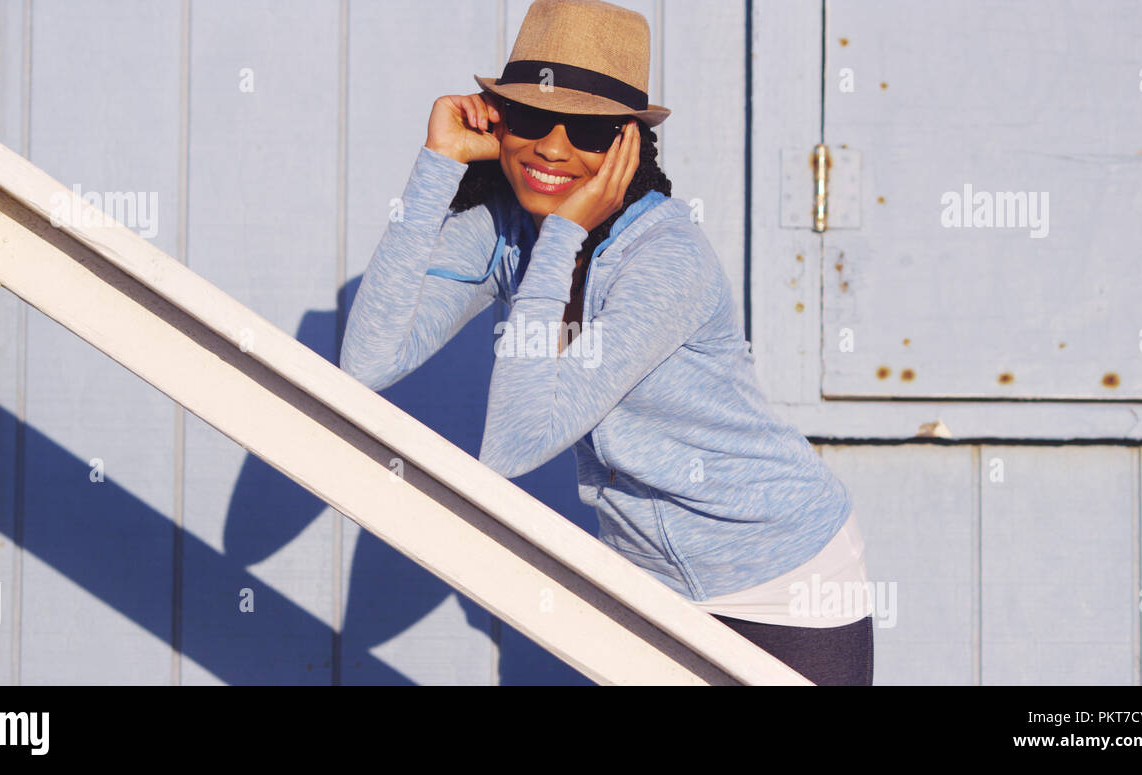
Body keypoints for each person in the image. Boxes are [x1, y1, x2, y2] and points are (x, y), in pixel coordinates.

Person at [340, 0, 873, 685]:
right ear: (497, 118)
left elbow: (513, 441)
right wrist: (437, 164)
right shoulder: (511, 229)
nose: (554, 148)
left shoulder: (665, 257)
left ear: (627, 142)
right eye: (531, 118)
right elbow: (367, 359)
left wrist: (562, 233)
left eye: (587, 128)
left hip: (781, 577)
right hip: (650, 585)